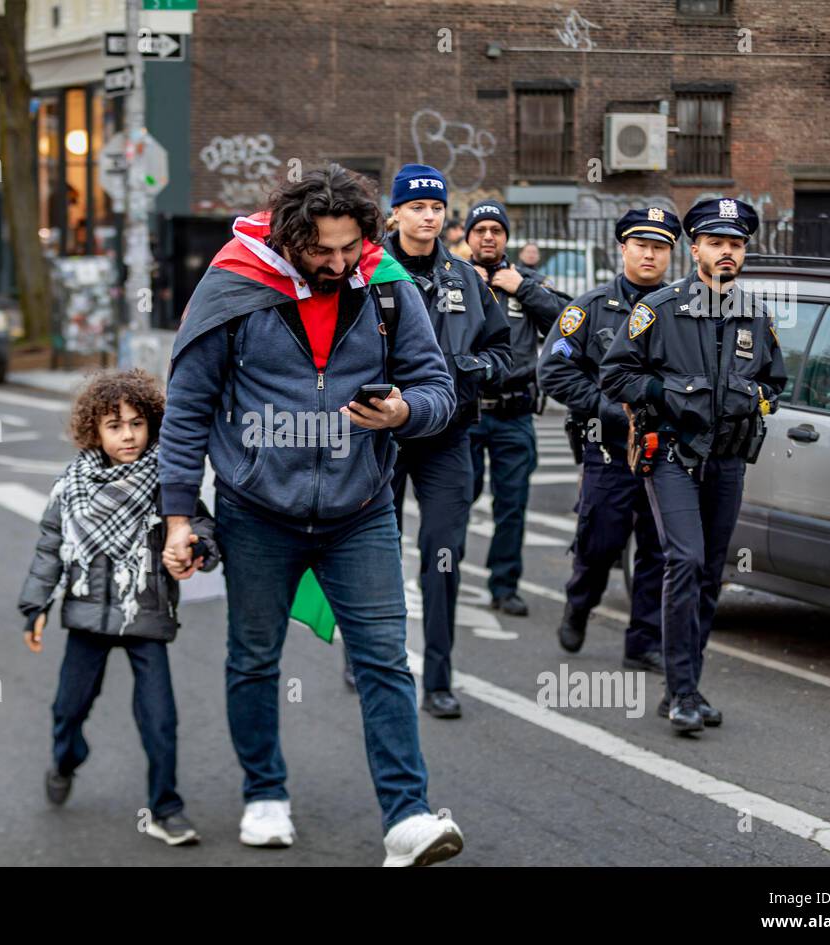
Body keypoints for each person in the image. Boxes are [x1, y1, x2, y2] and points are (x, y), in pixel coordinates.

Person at [158, 163, 465, 866]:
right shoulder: (234, 282)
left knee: (385, 659)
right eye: (321, 251)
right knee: (255, 657)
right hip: (257, 509)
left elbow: (436, 388)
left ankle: (408, 818)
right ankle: (264, 793)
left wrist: (404, 412)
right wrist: (180, 516)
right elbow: (188, 410)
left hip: (361, 510)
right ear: (288, 239)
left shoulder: (385, 285)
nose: (337, 263)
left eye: (348, 248)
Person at [600, 199, 786, 734]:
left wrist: (753, 400)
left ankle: (690, 685)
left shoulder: (755, 313)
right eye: (716, 243)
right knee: (684, 559)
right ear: (696, 249)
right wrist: (665, 391)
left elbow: (776, 386)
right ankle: (679, 691)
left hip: (728, 457)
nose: (727, 252)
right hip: (672, 455)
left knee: (709, 572)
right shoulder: (658, 309)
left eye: (736, 245)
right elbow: (616, 376)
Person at [18, 369, 216, 847]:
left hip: (144, 614)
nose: (127, 435)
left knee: (160, 717)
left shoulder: (168, 482)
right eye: (114, 425)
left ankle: (166, 808)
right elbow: (50, 547)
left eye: (136, 423)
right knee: (69, 708)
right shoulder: (72, 485)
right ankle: (67, 757)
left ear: (152, 424)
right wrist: (35, 605)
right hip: (88, 616)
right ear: (94, 430)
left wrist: (196, 549)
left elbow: (203, 529)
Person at [381, 165, 515, 718]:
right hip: (379, 438)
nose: (428, 215)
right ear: (396, 213)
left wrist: (471, 369)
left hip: (447, 436)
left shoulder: (465, 280)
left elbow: (505, 354)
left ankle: (438, 676)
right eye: (417, 207)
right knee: (376, 552)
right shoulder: (369, 273)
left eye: (436, 207)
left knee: (443, 555)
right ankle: (373, 658)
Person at [538, 208, 681, 671]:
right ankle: (580, 602)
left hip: (666, 451)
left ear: (671, 255)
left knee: (658, 548)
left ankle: (643, 641)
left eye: (660, 247)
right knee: (600, 541)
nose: (649, 254)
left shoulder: (684, 307)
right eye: (641, 245)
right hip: (609, 449)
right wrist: (605, 407)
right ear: (623, 248)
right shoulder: (590, 307)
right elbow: (553, 371)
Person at [464, 199, 562, 617]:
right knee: (453, 500)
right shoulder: (453, 279)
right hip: (463, 413)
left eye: (496, 230)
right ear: (468, 237)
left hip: (514, 412)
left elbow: (567, 321)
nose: (489, 236)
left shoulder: (526, 281)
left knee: (512, 504)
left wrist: (519, 287)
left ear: (506, 238)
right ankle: (443, 576)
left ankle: (504, 586)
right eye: (480, 230)